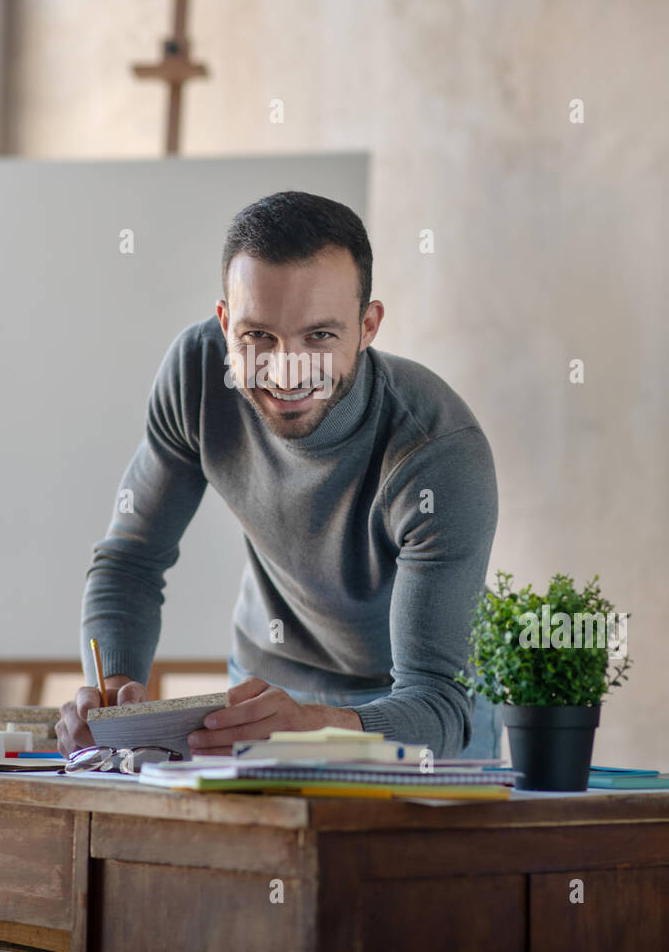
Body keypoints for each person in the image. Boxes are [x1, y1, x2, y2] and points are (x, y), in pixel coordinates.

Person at [56, 191, 498, 760]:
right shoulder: (196, 376)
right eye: (258, 336)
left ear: (368, 326)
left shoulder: (437, 451)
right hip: (265, 691)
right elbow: (130, 561)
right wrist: (114, 691)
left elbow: (438, 702)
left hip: (416, 710)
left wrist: (318, 726)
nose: (286, 369)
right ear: (224, 323)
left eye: (319, 336)